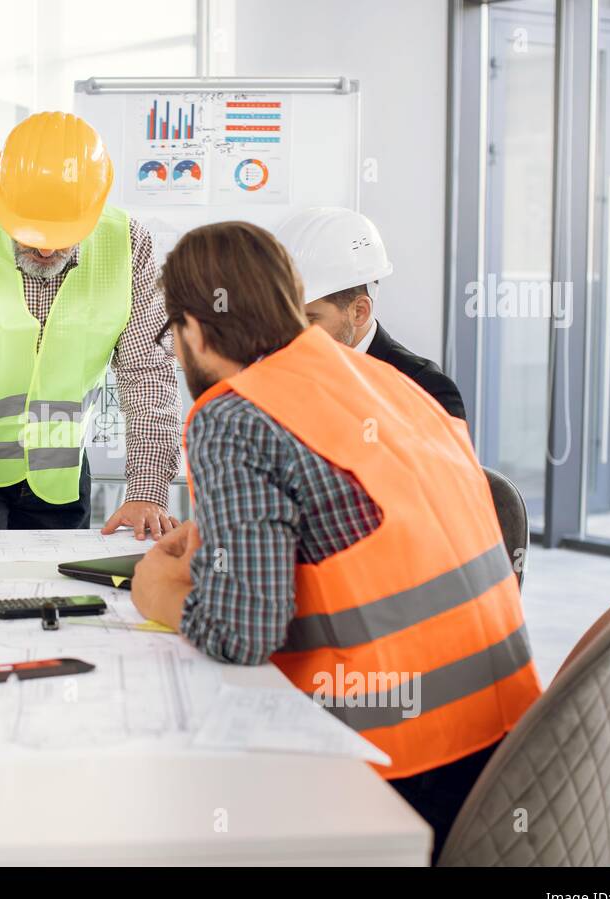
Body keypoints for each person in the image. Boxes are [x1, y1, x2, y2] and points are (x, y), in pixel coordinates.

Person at [130, 221, 541, 862]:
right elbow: (365, 531)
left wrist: (154, 591)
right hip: (507, 748)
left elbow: (243, 634)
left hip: (397, 764)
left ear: (194, 329)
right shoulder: (389, 382)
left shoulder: (233, 415)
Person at [0, 111, 181, 541]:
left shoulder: (129, 245)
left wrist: (148, 490)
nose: (45, 246)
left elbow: (149, 376)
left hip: (61, 477)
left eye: (63, 232)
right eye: (32, 231)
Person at [277, 206, 466, 419]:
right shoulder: (282, 376)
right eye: (286, 316)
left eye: (309, 318)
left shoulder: (425, 390)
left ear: (359, 312)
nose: (293, 332)